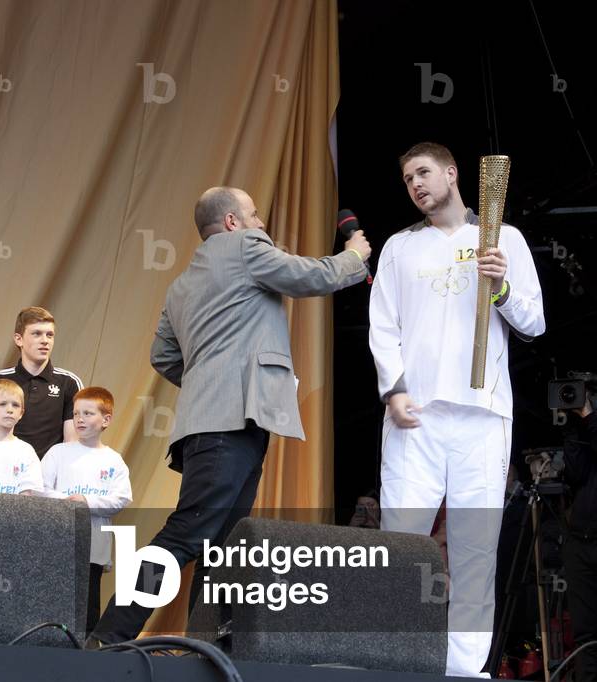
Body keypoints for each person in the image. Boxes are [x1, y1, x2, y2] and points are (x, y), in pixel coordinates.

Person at [90, 186, 370, 645]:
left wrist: (208, 380)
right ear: (233, 223)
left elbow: (164, 356)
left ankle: (208, 643)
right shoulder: (246, 247)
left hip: (222, 421)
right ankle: (109, 633)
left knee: (221, 542)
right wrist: (354, 255)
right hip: (229, 423)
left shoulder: (180, 285)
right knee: (189, 531)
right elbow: (311, 277)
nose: (262, 224)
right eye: (255, 216)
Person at [369, 142, 545, 677]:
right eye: (406, 179)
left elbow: (533, 321)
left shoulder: (502, 238)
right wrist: (393, 389)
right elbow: (384, 326)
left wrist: (502, 289)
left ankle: (464, 671)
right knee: (401, 544)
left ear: (451, 173)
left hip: (483, 415)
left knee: (473, 551)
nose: (415, 184)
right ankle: (397, 662)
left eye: (423, 172)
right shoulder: (400, 247)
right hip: (415, 415)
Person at [41, 386, 132, 635]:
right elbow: (41, 490)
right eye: (76, 413)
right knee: (53, 597)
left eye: (88, 413)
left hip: (93, 545)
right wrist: (67, 501)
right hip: (58, 539)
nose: (80, 419)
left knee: (88, 602)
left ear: (106, 419)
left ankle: (86, 651)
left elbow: (122, 498)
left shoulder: (113, 460)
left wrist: (86, 501)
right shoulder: (58, 452)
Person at [0, 306, 82, 458]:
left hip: (47, 477)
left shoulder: (69, 383)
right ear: (18, 339)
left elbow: (71, 443)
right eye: (37, 334)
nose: (45, 341)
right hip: (1, 472)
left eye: (50, 335)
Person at [561, 389, 597, 681]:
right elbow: (575, 474)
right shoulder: (587, 425)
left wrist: (590, 418)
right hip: (581, 538)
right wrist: (576, 427)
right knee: (584, 631)